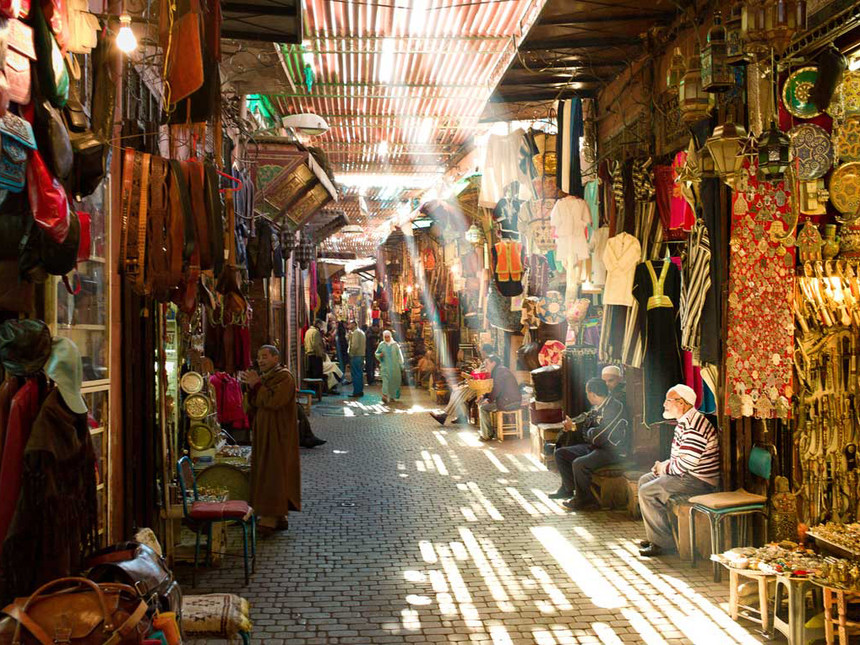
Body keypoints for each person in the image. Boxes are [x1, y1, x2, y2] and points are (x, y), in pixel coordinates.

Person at [637, 384, 720, 557]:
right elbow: (680, 459)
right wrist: (663, 467)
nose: (664, 404)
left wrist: (662, 468)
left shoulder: (693, 426)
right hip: (687, 475)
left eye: (668, 400)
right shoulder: (685, 422)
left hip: (698, 481)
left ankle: (663, 544)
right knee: (644, 480)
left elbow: (685, 465)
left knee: (647, 491)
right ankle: (658, 536)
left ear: (681, 403)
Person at [241, 345, 301, 531]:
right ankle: (277, 514)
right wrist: (252, 388)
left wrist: (257, 385)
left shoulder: (284, 377)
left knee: (273, 471)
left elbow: (274, 401)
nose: (261, 360)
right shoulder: (266, 377)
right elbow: (254, 403)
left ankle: (270, 516)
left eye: (265, 356)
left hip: (278, 433)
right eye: (259, 357)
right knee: (267, 469)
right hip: (265, 431)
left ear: (276, 358)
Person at [549, 378, 627, 511]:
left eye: (587, 393)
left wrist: (588, 432)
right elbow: (586, 423)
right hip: (596, 447)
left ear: (592, 394)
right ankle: (568, 489)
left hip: (612, 451)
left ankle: (585, 499)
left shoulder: (615, 406)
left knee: (579, 463)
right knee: (561, 454)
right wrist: (573, 425)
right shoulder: (597, 407)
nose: (587, 396)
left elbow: (598, 435)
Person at [431, 343, 495, 426]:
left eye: (481, 351)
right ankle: (462, 417)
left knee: (459, 392)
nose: (480, 353)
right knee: (456, 391)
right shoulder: (486, 360)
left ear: (485, 352)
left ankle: (445, 415)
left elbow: (483, 375)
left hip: (482, 386)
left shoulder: (489, 360)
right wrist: (470, 376)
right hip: (478, 384)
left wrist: (470, 376)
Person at [477, 354, 521, 441]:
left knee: (483, 408)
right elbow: (496, 389)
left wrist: (489, 400)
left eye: (487, 363)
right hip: (508, 400)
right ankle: (489, 432)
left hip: (509, 402)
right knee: (483, 404)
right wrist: (484, 396)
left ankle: (486, 435)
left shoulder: (499, 372)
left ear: (493, 363)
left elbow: (497, 389)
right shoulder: (499, 370)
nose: (485, 366)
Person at [375, 330, 404, 404]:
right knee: (385, 381)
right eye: (385, 337)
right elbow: (376, 353)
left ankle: (392, 396)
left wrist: (401, 365)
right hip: (385, 367)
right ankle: (384, 395)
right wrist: (379, 355)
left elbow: (399, 356)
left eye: (388, 337)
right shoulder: (381, 344)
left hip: (395, 367)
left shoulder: (395, 345)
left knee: (393, 382)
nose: (387, 338)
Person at [347, 321, 366, 398]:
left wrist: (351, 354)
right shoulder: (361, 332)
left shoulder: (356, 332)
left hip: (356, 355)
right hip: (361, 355)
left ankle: (356, 392)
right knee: (359, 374)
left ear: (354, 324)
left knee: (356, 374)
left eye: (350, 324)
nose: (348, 325)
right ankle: (359, 391)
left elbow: (355, 345)